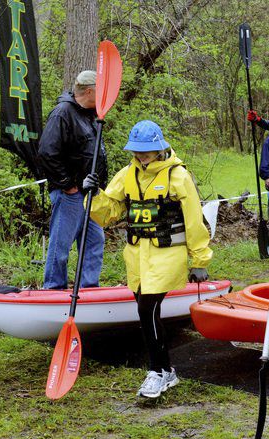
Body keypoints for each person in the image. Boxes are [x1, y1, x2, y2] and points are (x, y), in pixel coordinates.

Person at [85, 121, 212, 398]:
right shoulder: (127, 174)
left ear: (160, 148)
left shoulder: (178, 176)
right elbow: (108, 214)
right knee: (148, 313)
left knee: (146, 310)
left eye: (148, 151)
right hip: (137, 256)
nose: (142, 156)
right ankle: (166, 371)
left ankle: (157, 371)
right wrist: (93, 195)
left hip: (167, 255)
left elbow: (193, 220)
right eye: (138, 151)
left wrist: (200, 260)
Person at [38, 70, 108, 289]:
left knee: (95, 242)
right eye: (100, 90)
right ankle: (54, 288)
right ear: (89, 91)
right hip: (71, 194)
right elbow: (47, 153)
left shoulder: (91, 114)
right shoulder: (62, 113)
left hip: (91, 194)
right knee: (61, 246)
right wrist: (68, 185)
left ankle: (88, 288)